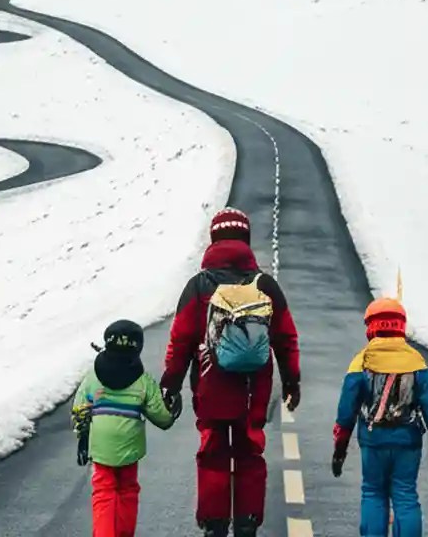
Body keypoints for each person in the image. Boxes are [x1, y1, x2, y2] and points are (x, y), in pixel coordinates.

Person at [159, 207, 301, 537]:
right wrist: (292, 379)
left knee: (213, 454)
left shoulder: (198, 285)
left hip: (211, 387)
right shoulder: (265, 285)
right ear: (246, 240)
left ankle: (215, 523)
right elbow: (285, 337)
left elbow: (180, 339)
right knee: (250, 452)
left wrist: (172, 382)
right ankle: (248, 520)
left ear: (214, 240)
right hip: (254, 387)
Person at [331, 297, 428, 536]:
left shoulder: (361, 361)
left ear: (371, 326)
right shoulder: (416, 362)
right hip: (408, 442)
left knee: (373, 493)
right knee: (405, 495)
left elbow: (346, 410)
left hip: (373, 442)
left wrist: (340, 448)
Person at [72, 319, 177, 537]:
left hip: (101, 448)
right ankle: (123, 533)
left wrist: (82, 436)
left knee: (103, 491)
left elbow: (80, 409)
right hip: (130, 449)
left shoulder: (93, 378)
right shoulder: (143, 381)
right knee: (127, 489)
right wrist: (173, 409)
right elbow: (162, 417)